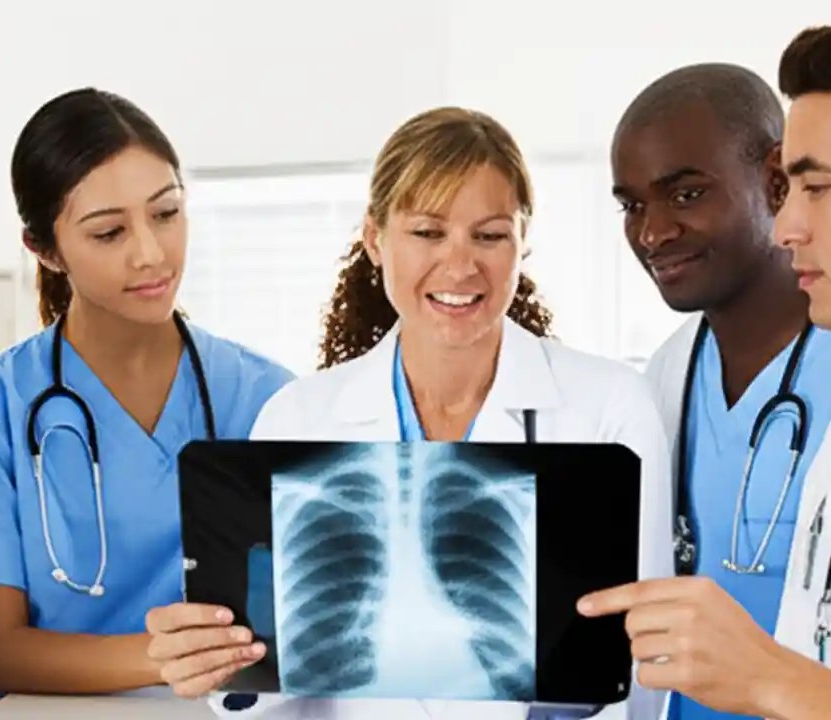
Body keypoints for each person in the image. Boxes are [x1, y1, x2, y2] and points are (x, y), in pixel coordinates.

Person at [143, 107, 674, 719]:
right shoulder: (299, 417)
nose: (460, 265)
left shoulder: (608, 408)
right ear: (375, 238)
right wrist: (222, 658)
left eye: (490, 234)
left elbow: (641, 664)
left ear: (524, 242)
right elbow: (258, 693)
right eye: (428, 232)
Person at [0, 86, 295, 717]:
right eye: (109, 232)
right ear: (46, 250)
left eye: (166, 214)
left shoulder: (266, 396)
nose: (150, 252)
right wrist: (161, 656)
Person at [578, 19, 831, 720]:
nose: (652, 232)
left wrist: (772, 682)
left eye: (686, 194)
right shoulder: (659, 381)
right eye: (632, 205)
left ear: (772, 178)